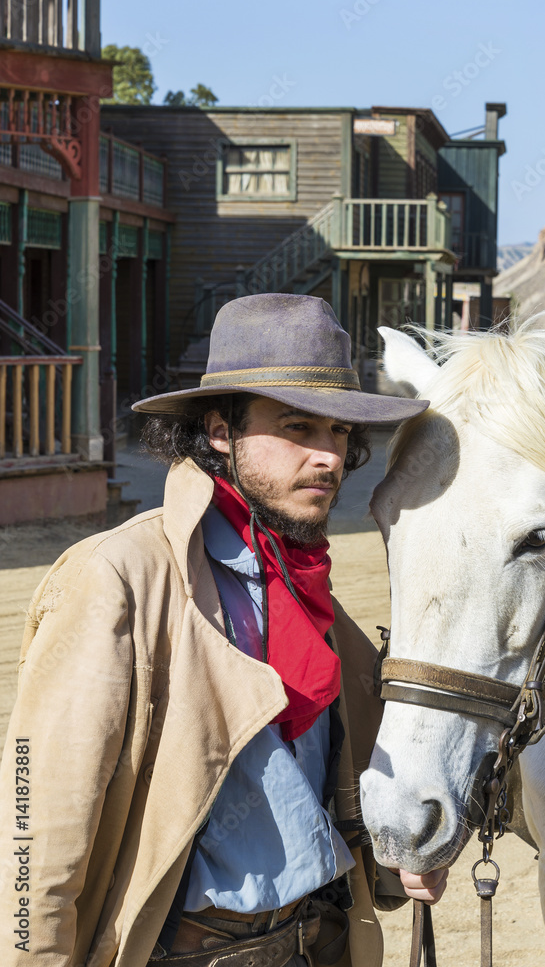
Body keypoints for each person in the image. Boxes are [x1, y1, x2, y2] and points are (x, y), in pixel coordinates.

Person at [0, 293, 448, 967]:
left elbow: (355, 775)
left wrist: (402, 858)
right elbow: (37, 820)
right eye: (298, 428)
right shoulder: (120, 578)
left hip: (321, 940)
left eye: (339, 434)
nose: (328, 456)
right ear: (219, 430)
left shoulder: (313, 592)